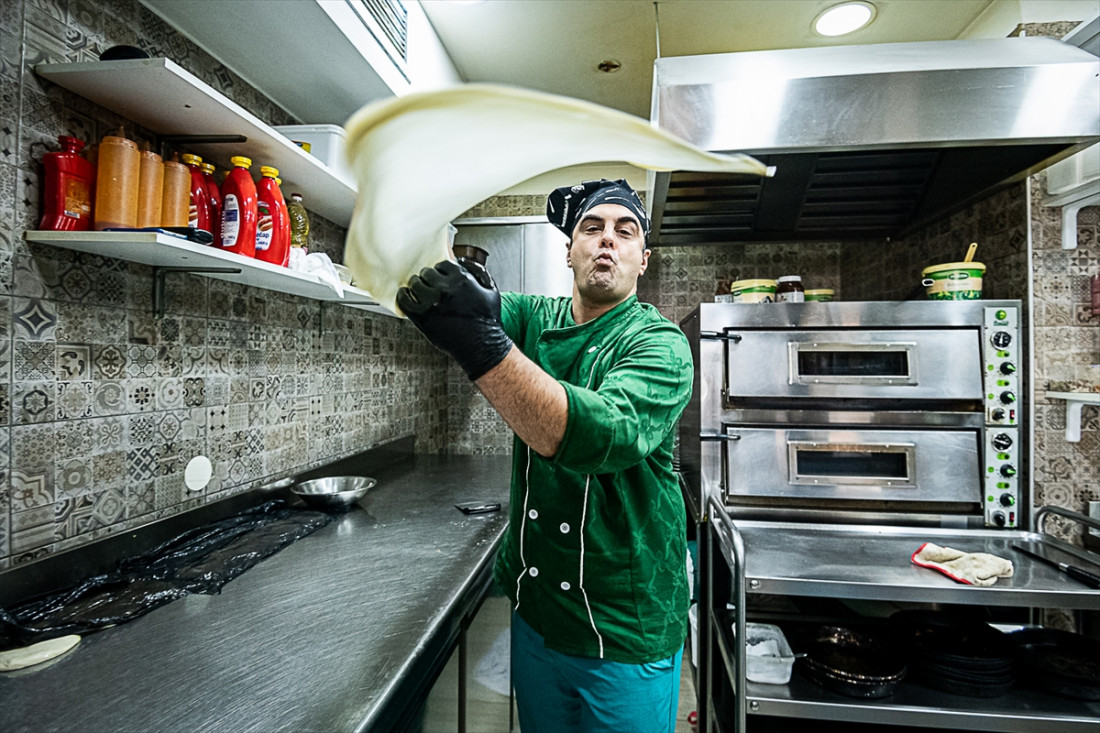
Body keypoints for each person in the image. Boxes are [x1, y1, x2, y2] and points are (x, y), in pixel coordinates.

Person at [397, 178, 693, 733]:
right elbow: (477, 312)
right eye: (592, 228)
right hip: (537, 613)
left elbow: (602, 435)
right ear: (569, 249)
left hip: (624, 620)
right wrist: (445, 290)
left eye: (624, 231)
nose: (607, 240)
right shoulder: (538, 316)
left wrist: (482, 345)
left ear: (643, 259)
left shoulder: (661, 344)